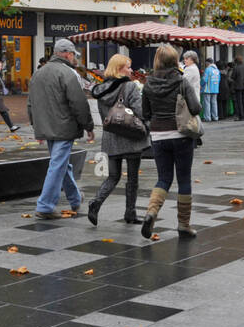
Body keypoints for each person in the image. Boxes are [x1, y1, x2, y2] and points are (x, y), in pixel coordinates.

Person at [139, 43, 200, 239]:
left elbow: (145, 113)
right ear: (175, 60)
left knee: (163, 178)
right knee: (183, 179)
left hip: (158, 136)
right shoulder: (182, 82)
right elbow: (196, 108)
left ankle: (151, 212)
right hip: (181, 135)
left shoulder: (148, 84)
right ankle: (183, 224)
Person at [28, 38, 94, 220]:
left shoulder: (38, 73)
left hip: (46, 125)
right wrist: (88, 125)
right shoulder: (68, 73)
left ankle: (75, 197)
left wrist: (35, 124)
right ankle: (45, 205)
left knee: (61, 163)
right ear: (68, 54)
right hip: (64, 126)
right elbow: (79, 103)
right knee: (58, 165)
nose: (74, 58)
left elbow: (30, 102)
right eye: (73, 55)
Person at [87, 53, 149, 226]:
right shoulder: (129, 87)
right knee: (132, 178)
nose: (131, 70)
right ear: (119, 69)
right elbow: (139, 111)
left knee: (113, 177)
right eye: (128, 67)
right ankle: (130, 213)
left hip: (111, 137)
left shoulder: (101, 89)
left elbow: (104, 115)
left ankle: (96, 203)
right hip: (131, 136)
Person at [229, 56, 244, 121]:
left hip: (238, 86)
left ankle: (240, 116)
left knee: (239, 101)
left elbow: (232, 77)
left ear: (236, 61)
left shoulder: (236, 68)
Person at [201, 57, 220, 122]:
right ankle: (215, 117)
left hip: (207, 89)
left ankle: (207, 118)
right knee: (214, 103)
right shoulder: (217, 70)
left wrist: (201, 85)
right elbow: (219, 79)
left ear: (207, 63)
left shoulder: (208, 69)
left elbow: (204, 79)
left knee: (207, 103)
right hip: (215, 89)